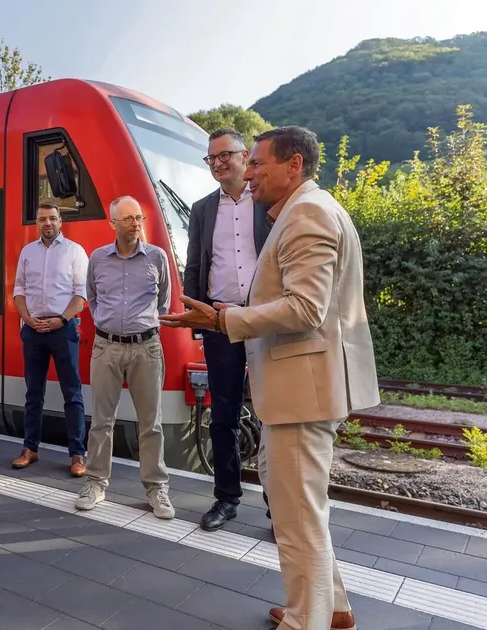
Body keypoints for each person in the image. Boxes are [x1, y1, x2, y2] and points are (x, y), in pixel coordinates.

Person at [161, 126, 378, 630]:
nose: (251, 174)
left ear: (293, 165)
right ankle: (334, 608)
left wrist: (223, 320)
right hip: (302, 385)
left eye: (258, 163)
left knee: (297, 514)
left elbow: (305, 307)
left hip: (302, 390)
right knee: (302, 507)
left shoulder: (306, 215)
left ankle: (306, 620)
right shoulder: (307, 210)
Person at [183, 129, 273, 532]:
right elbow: (195, 267)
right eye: (211, 158)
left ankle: (279, 507)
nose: (218, 163)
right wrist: (195, 318)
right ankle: (226, 498)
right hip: (220, 324)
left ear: (244, 157)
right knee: (223, 415)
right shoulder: (202, 210)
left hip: (266, 320)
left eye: (225, 155)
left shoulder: (269, 201)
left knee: (274, 414)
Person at [76, 196, 174, 519]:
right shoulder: (98, 259)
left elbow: (164, 303)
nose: (135, 223)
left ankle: (156, 488)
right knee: (102, 421)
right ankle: (95, 482)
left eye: (138, 217)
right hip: (107, 347)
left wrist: (140, 326)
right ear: (113, 224)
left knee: (151, 423)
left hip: (146, 347)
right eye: (128, 218)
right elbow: (92, 298)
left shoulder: (157, 258)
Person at [11, 201, 89, 476]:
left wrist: (63, 319)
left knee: (72, 392)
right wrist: (27, 318)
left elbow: (81, 293)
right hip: (33, 329)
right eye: (42, 218)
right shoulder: (27, 252)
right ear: (37, 223)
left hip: (63, 329)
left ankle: (77, 454)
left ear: (60, 222)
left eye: (52, 218)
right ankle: (30, 448)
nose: (48, 223)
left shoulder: (74, 252)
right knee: (33, 392)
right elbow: (18, 289)